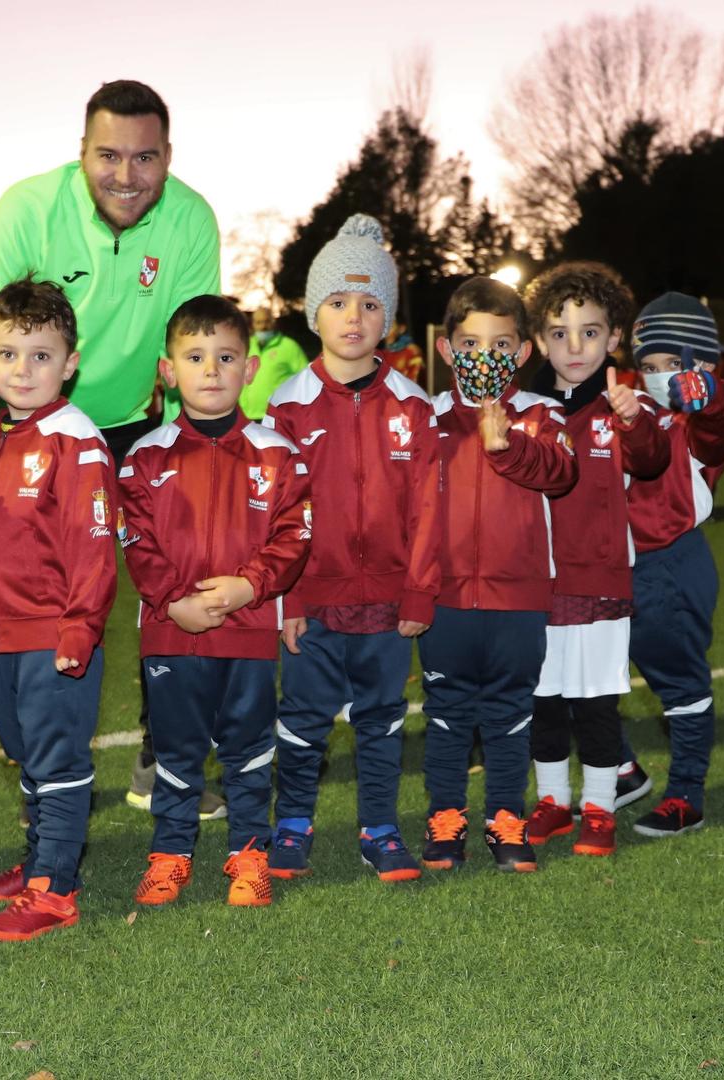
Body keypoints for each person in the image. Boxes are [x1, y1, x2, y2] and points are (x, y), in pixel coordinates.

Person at [0, 79, 219, 805]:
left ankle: (166, 757)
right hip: (32, 425)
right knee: (37, 592)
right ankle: (43, 769)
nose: (126, 176)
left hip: (135, 421)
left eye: (145, 158)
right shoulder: (26, 210)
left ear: (168, 156)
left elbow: (190, 343)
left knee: (187, 573)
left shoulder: (192, 219)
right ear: (81, 152)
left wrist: (197, 451)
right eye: (108, 156)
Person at [262, 214, 440, 884]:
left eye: (369, 304)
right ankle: (292, 823)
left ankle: (381, 828)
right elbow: (278, 514)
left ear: (387, 317)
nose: (353, 317)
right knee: (303, 718)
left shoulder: (413, 405)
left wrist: (418, 591)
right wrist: (289, 599)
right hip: (314, 600)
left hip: (390, 603)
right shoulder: (287, 406)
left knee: (383, 719)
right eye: (338, 302)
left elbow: (429, 511)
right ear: (315, 313)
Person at [118, 295, 312, 908]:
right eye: (195, 357)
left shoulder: (278, 453)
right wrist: (173, 600)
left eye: (226, 357)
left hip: (248, 632)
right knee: (175, 750)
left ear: (249, 369)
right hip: (171, 633)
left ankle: (249, 855)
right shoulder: (145, 455)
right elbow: (135, 539)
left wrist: (249, 586)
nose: (211, 370)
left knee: (249, 749)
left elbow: (295, 534)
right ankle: (170, 856)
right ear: (168, 370)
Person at [0, 278, 118, 941]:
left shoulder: (74, 439)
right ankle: (36, 861)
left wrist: (80, 626)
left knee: (56, 758)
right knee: (25, 752)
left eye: (41, 355)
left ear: (70, 363)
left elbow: (94, 544)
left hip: (52, 632)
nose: (22, 370)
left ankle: (55, 887)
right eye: (8, 354)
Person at [417, 278, 577, 872]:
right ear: (446, 349)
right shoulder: (425, 418)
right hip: (446, 596)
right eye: (470, 343)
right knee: (447, 714)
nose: (485, 356)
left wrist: (506, 446)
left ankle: (506, 817)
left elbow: (561, 473)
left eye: (501, 344)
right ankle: (446, 817)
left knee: (511, 714)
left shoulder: (541, 414)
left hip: (519, 596)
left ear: (524, 351)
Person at [518, 262, 670, 857]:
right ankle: (553, 801)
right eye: (560, 333)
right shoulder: (527, 409)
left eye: (589, 332)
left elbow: (652, 459)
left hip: (600, 580)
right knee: (544, 699)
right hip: (536, 581)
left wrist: (633, 421)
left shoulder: (624, 406)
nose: (574, 346)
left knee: (596, 703)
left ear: (614, 338)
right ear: (540, 342)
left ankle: (601, 808)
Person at [622, 292, 724, 838]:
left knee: (679, 684)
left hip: (669, 563)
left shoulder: (695, 420)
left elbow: (718, 429)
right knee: (573, 674)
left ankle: (687, 793)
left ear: (704, 363)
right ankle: (621, 770)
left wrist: (710, 395)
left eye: (673, 363)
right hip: (612, 564)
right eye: (648, 366)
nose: (659, 376)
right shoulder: (630, 406)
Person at [238, 303, 309, 420]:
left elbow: (306, 379)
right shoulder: (244, 346)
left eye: (267, 321)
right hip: (247, 417)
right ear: (253, 325)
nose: (263, 326)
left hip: (278, 418)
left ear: (273, 322)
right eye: (258, 322)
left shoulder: (288, 346)